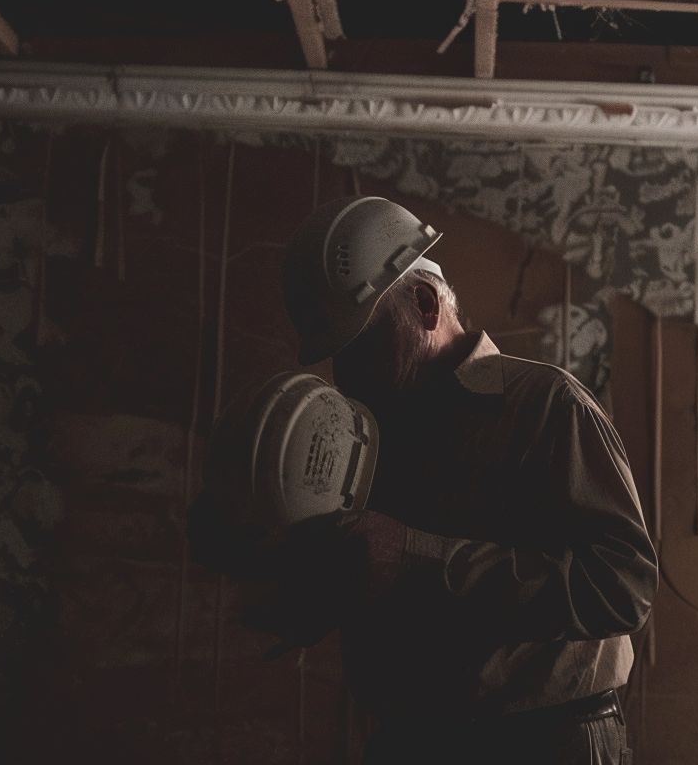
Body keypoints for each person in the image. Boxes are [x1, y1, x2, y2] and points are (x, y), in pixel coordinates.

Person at [273, 196, 657, 764]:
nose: (345, 375)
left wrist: (415, 555)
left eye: (362, 345)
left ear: (425, 304)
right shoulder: (370, 433)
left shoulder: (549, 406)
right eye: (336, 355)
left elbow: (622, 588)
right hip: (413, 739)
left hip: (546, 742)